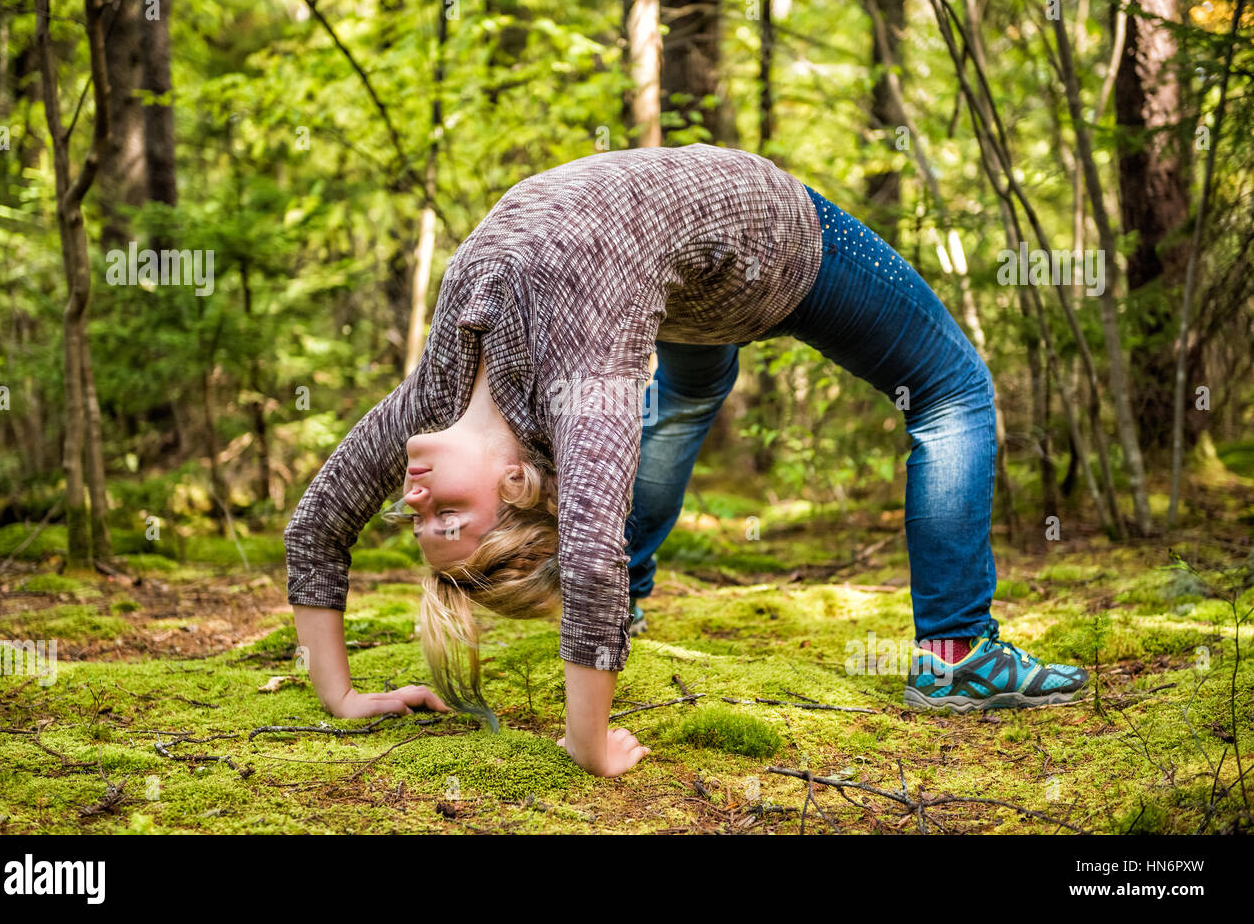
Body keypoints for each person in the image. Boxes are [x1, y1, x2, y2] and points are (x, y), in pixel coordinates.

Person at [284, 143, 1089, 779]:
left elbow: (317, 526)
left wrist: (344, 695)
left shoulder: (437, 397)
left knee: (697, 389)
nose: (417, 499)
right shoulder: (585, 386)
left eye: (417, 519)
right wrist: (587, 741)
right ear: (516, 484)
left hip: (695, 258)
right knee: (952, 389)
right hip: (762, 252)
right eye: (448, 520)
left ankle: (629, 609)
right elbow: (590, 554)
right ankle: (959, 655)